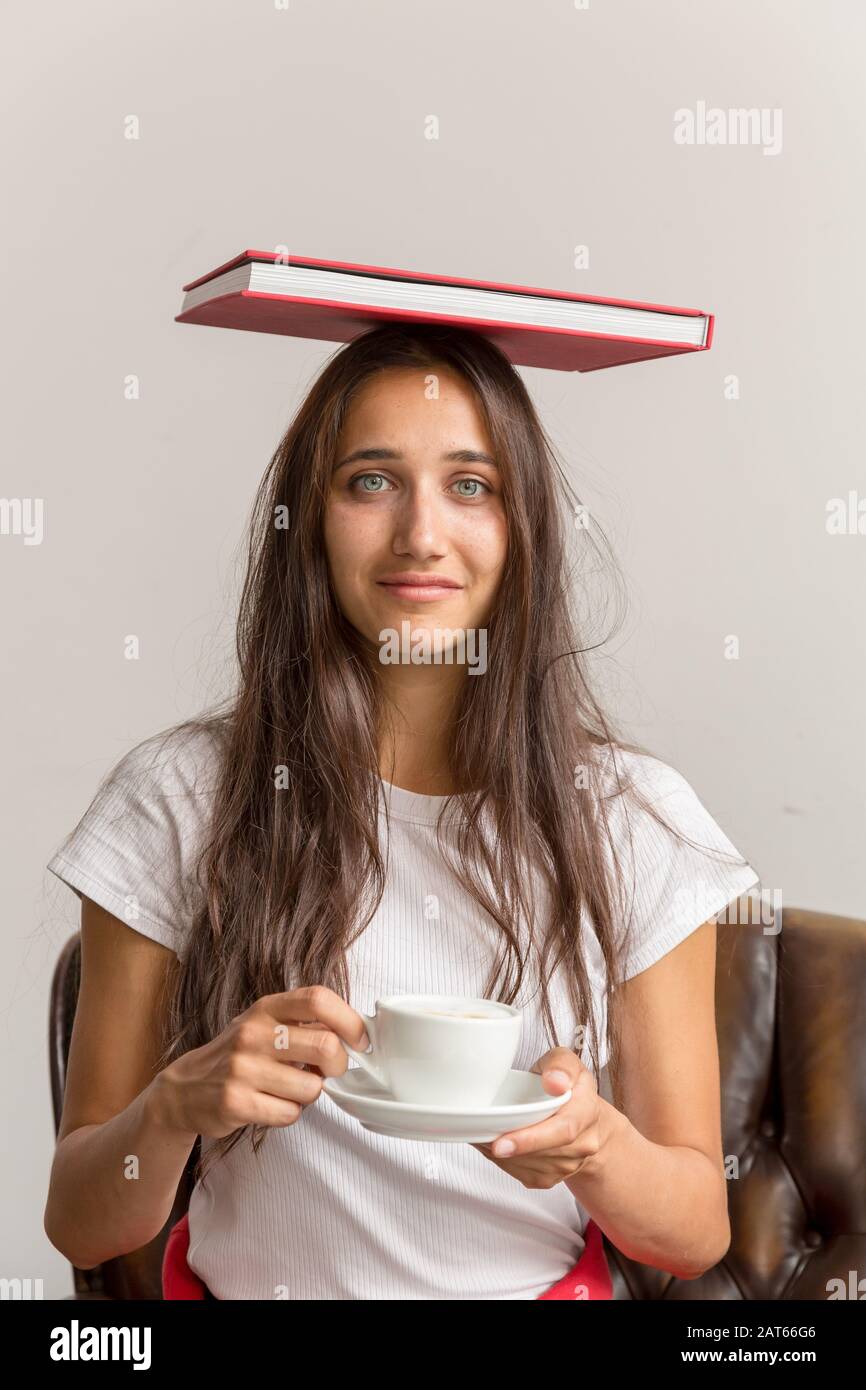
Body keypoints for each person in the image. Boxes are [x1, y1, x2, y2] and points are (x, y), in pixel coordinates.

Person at [44, 322, 759, 1299]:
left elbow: (692, 1231)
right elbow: (83, 1219)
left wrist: (595, 1147)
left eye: (470, 485)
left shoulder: (632, 817)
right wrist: (174, 1106)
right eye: (370, 480)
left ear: (522, 528)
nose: (421, 534)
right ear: (308, 520)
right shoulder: (177, 797)